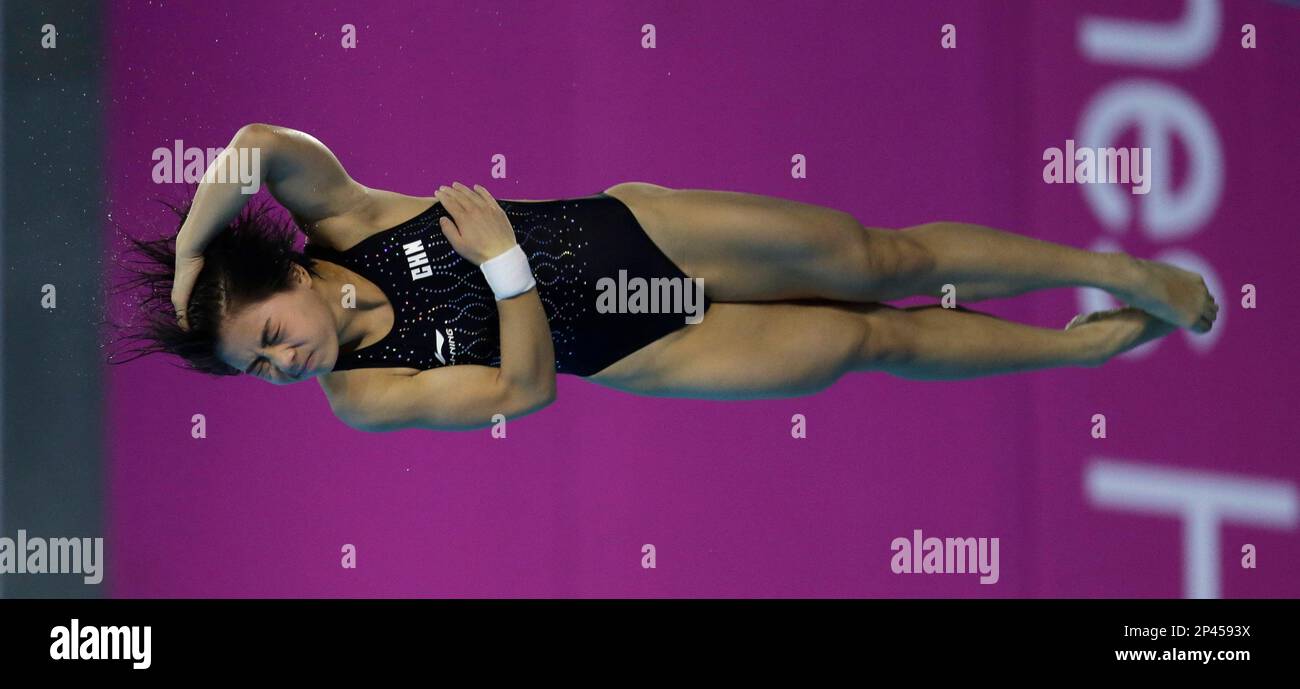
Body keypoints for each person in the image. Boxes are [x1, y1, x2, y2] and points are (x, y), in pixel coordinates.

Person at [110, 123, 1218, 432]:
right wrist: (499, 268)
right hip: (635, 346)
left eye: (263, 334)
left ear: (283, 271)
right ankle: (1074, 346)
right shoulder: (365, 394)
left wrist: (196, 254)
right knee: (867, 338)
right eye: (258, 372)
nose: (281, 363)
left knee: (885, 260)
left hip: (641, 239)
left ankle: (1105, 264)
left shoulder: (342, 216)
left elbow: (252, 142)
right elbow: (521, 392)